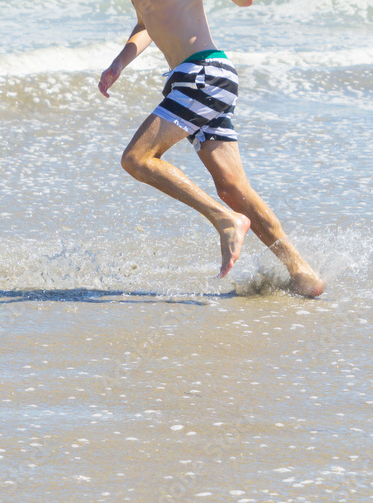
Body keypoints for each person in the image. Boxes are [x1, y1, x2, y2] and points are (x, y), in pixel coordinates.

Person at [99, 0, 325, 297]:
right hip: (193, 78)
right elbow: (146, 24)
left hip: (203, 74)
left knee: (137, 159)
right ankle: (302, 273)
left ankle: (225, 219)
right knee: (233, 189)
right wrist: (119, 62)